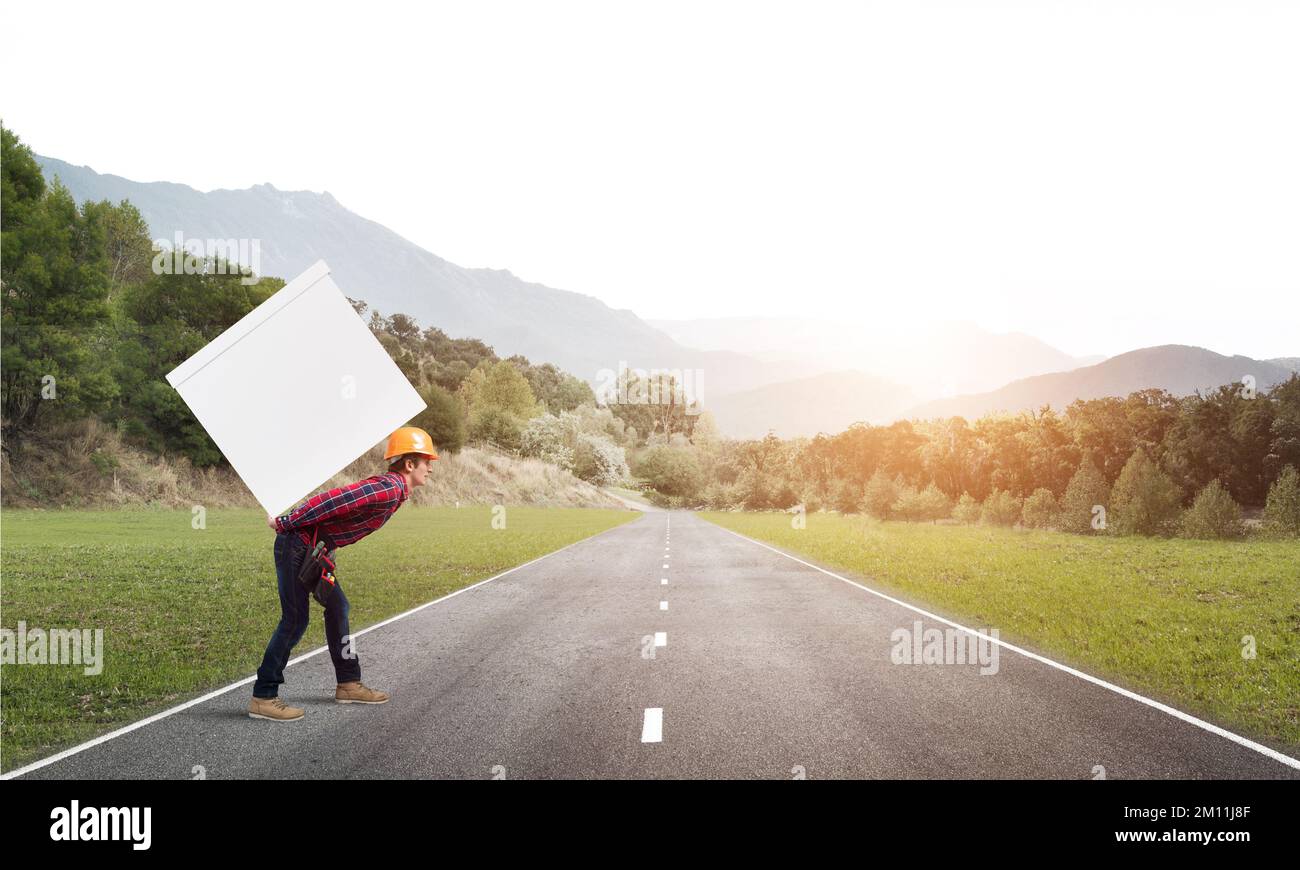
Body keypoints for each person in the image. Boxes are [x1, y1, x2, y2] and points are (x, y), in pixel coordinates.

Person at [248, 427, 438, 721]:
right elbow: (334, 500)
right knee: (295, 620)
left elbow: (340, 519)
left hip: (313, 550)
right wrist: (286, 522)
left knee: (339, 607)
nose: (431, 467)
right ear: (410, 464)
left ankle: (348, 684)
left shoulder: (396, 492)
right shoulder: (389, 487)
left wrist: (326, 550)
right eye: (427, 461)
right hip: (297, 544)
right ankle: (264, 695)